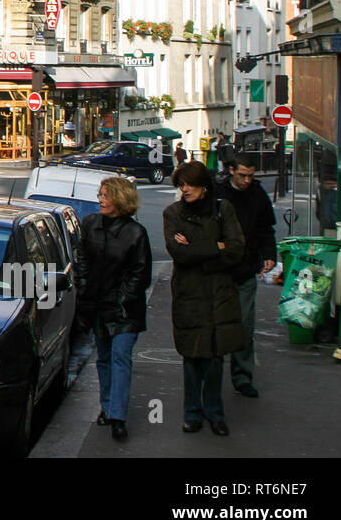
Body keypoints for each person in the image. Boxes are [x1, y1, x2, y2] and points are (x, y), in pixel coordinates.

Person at [163, 162, 245, 436]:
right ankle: (192, 414)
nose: (184, 189)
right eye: (181, 185)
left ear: (204, 186)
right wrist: (215, 247)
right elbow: (180, 254)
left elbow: (235, 250)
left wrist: (199, 251)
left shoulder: (223, 210)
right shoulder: (173, 213)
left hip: (219, 293)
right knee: (192, 357)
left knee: (215, 357)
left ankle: (215, 413)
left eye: (189, 184)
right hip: (189, 295)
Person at [78, 177, 152, 441]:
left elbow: (140, 275)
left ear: (120, 199)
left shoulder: (135, 233)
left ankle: (117, 416)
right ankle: (107, 406)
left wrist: (121, 301)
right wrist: (85, 300)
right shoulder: (90, 225)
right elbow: (83, 264)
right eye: (100, 194)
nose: (100, 199)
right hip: (99, 305)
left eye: (106, 195)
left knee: (120, 358)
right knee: (104, 359)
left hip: (124, 309)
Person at [213, 153, 277, 398]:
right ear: (231, 171)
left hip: (245, 267)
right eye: (243, 175)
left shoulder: (257, 194)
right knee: (217, 325)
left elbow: (265, 229)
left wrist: (269, 255)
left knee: (244, 326)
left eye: (251, 175)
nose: (247, 180)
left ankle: (242, 376)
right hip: (219, 269)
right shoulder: (218, 192)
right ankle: (214, 374)